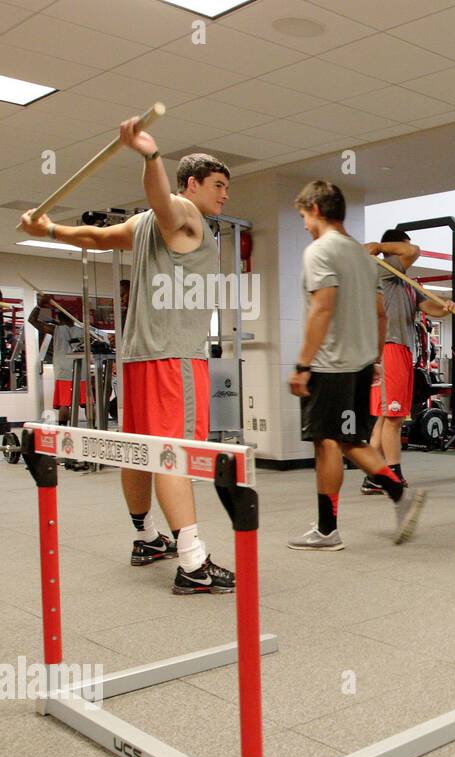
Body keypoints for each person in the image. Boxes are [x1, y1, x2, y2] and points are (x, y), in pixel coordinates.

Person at [19, 119, 235, 594]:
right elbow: (162, 198)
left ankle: (147, 537)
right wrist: (150, 154)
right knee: (174, 457)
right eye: (218, 186)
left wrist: (48, 227)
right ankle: (194, 562)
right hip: (173, 358)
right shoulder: (183, 212)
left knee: (140, 452)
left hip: (136, 359)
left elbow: (95, 239)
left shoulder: (144, 226)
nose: (224, 197)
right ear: (192, 184)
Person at [288, 180, 426, 550]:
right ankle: (399, 494)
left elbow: (323, 306)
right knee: (349, 440)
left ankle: (328, 529)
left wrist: (303, 364)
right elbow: (380, 314)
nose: (304, 224)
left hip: (329, 364)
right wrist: (375, 358)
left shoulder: (321, 251)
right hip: (361, 364)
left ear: (316, 209)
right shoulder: (366, 259)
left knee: (327, 443)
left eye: (303, 215)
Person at [359, 230, 455, 495]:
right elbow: (413, 251)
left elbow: (430, 309)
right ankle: (392, 474)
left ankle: (373, 476)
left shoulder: (406, 281)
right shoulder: (386, 270)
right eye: (403, 247)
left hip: (402, 350)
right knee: (393, 418)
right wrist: (380, 246)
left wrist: (446, 308)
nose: (409, 252)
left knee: (385, 417)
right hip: (389, 347)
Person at [27, 296, 87, 427]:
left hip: (64, 372)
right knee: (88, 402)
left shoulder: (56, 330)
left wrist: (39, 306)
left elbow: (32, 320)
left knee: (65, 403)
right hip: (81, 371)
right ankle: (94, 429)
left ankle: (63, 428)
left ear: (60, 318)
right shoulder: (83, 331)